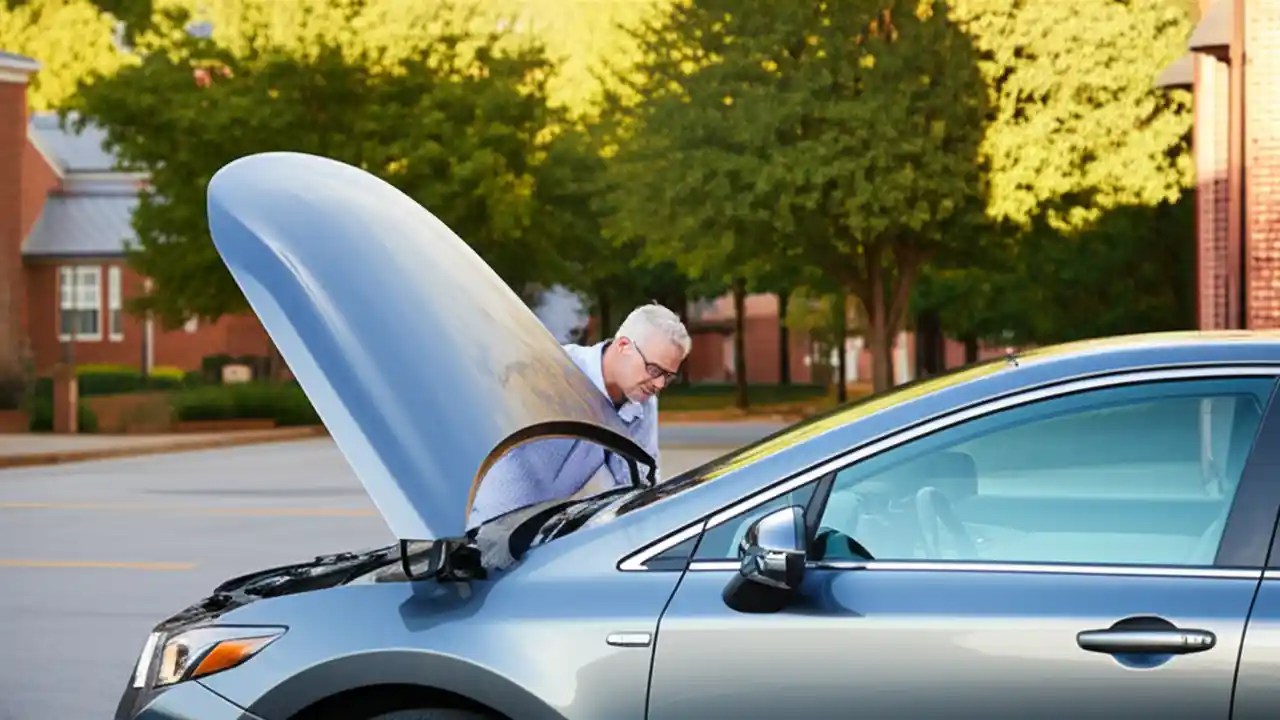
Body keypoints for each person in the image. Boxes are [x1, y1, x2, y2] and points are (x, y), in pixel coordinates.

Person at [467, 303, 691, 529]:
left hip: (539, 534)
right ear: (624, 345)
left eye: (668, 376)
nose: (660, 384)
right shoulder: (554, 369)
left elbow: (638, 484)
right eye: (654, 370)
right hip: (484, 525)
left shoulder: (641, 403)